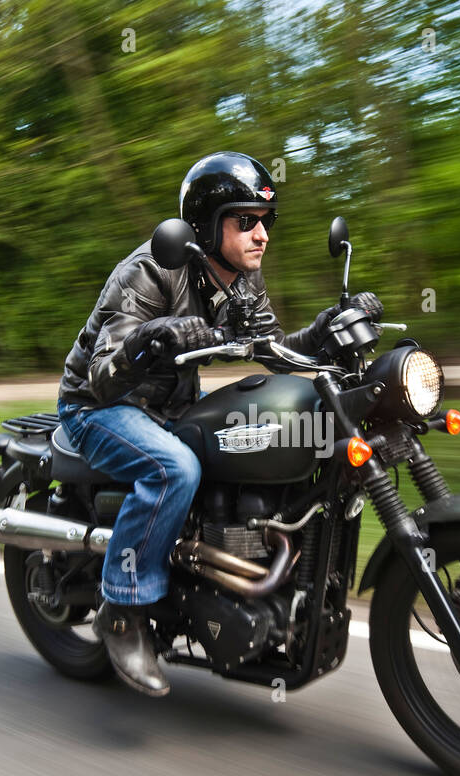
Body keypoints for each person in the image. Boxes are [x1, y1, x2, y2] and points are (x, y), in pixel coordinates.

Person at [57, 151, 382, 696]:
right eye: (246, 221)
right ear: (208, 226)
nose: (262, 236)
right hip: (100, 408)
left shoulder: (243, 278)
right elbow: (102, 377)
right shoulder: (148, 271)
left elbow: (275, 350)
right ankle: (121, 608)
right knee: (175, 468)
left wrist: (323, 332)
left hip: (172, 406)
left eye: (266, 221)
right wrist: (152, 340)